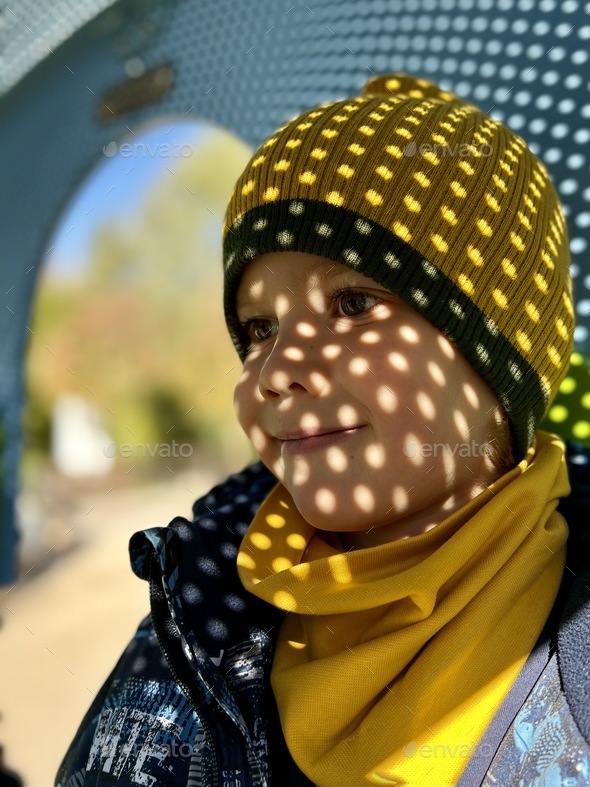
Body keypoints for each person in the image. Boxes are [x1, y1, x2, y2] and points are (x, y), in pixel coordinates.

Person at [56, 74, 590, 787]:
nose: (278, 369)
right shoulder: (205, 601)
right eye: (260, 328)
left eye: (354, 302)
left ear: (501, 359)